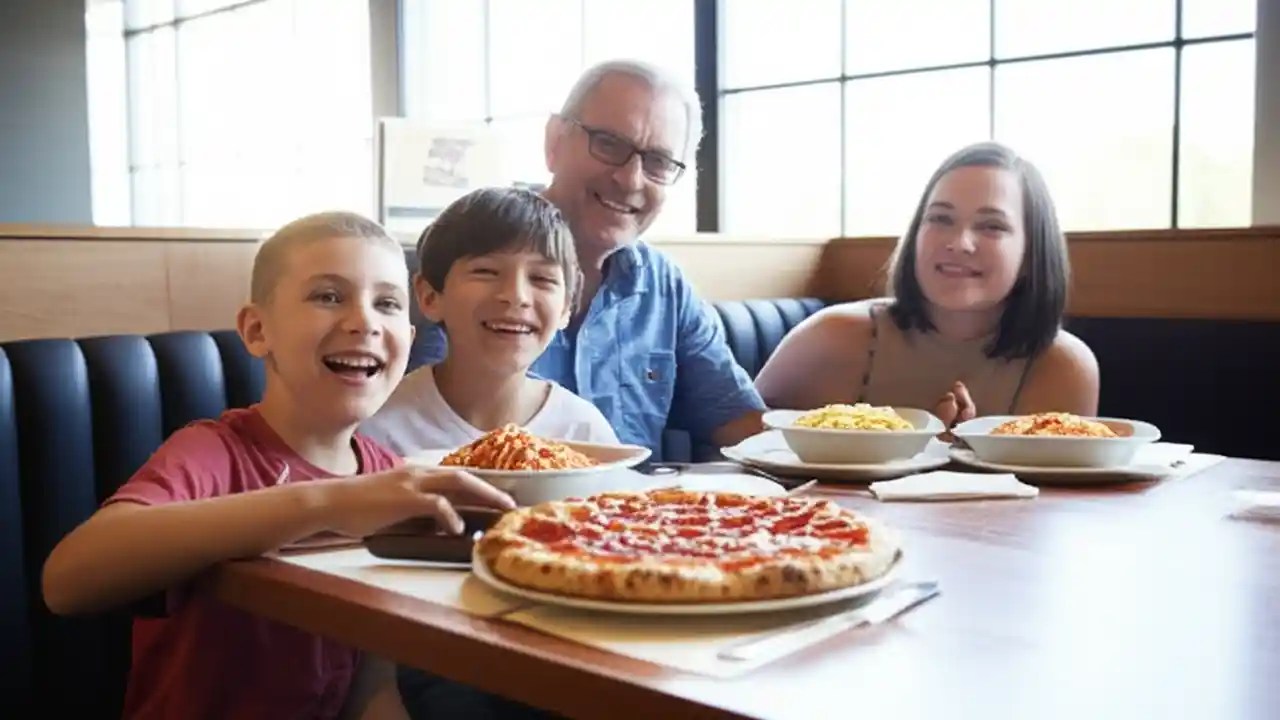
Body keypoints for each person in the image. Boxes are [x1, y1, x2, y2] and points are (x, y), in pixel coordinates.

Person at [40, 212, 516, 720]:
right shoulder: (215, 452)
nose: (364, 321)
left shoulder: (386, 475)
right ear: (257, 329)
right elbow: (67, 582)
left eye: (387, 304)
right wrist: (329, 502)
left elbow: (373, 682)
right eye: (328, 296)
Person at [411, 60, 764, 460]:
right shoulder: (465, 255)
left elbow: (742, 426)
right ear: (554, 142)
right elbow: (423, 429)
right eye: (609, 144)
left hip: (631, 516)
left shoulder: (665, 286)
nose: (630, 179)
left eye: (658, 162)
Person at [755, 141, 1100, 426]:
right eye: (940, 218)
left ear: (1030, 255)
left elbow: (1055, 503)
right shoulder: (832, 337)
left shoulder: (1064, 366)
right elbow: (740, 451)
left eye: (991, 226)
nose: (959, 242)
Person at [361, 187, 617, 455]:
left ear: (566, 306)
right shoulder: (378, 429)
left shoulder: (585, 434)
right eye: (486, 272)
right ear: (429, 297)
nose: (516, 297)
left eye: (542, 278)